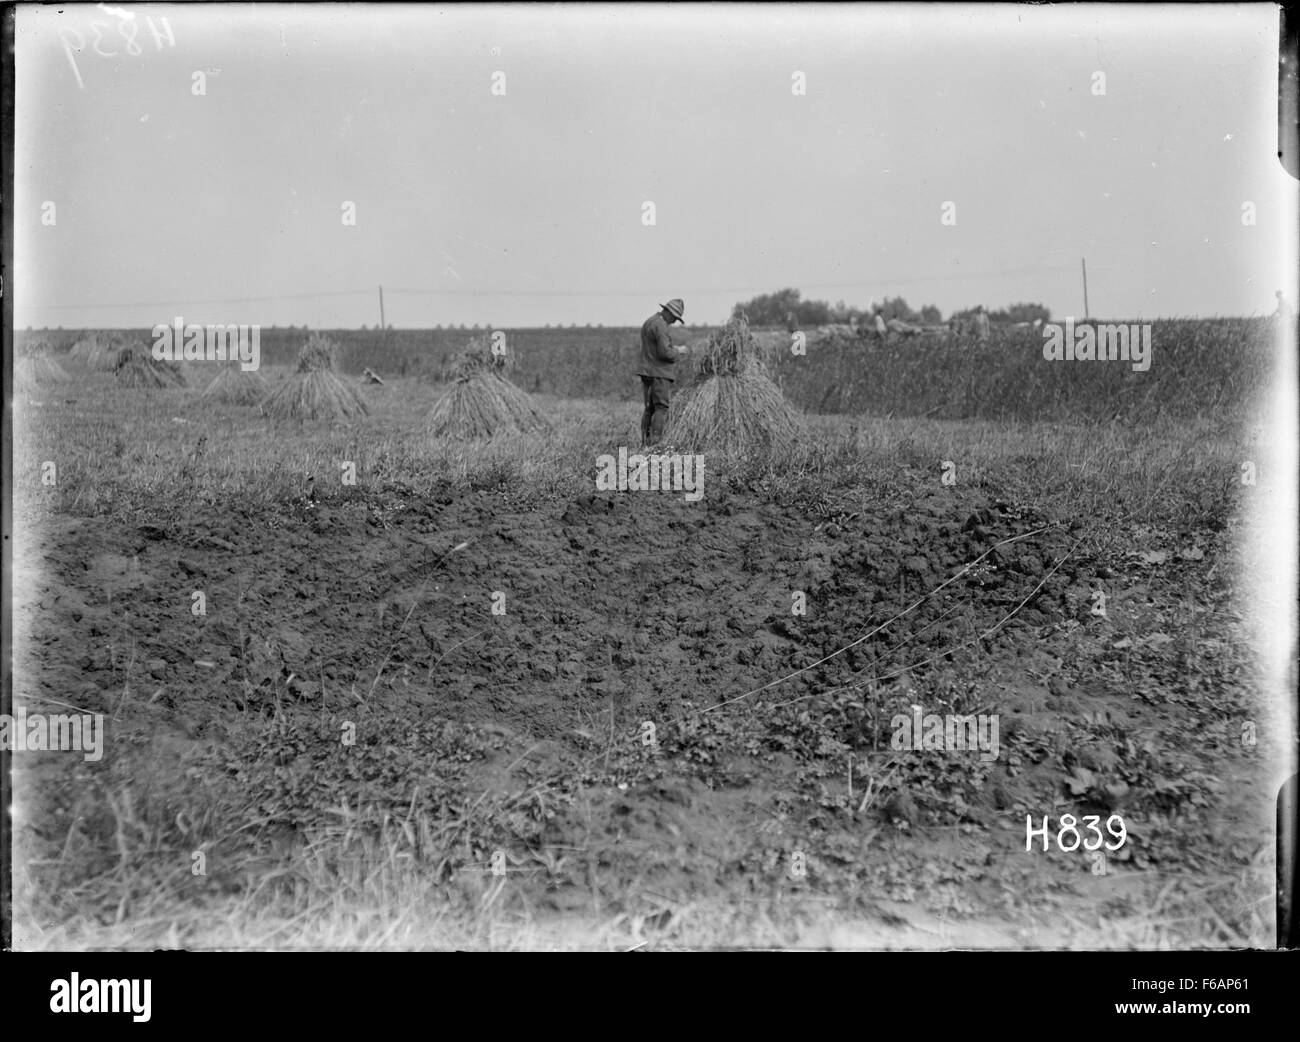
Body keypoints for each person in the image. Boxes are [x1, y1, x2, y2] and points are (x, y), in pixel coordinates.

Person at [637, 298, 687, 445]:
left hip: (647, 371)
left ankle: (645, 442)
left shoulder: (650, 321)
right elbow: (665, 353)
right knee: (661, 408)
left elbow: (656, 347)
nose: (675, 321)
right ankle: (656, 442)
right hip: (659, 372)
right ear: (669, 313)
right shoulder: (661, 326)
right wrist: (679, 351)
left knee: (649, 408)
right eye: (675, 318)